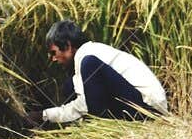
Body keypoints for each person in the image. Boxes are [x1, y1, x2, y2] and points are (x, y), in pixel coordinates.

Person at [31, 20, 168, 125]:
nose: (53, 58)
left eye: (54, 52)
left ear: (67, 46)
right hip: (139, 105)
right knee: (70, 86)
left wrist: (43, 115)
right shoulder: (87, 54)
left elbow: (82, 105)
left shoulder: (88, 58)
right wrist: (45, 115)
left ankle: (101, 127)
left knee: (89, 65)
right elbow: (80, 104)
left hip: (149, 111)